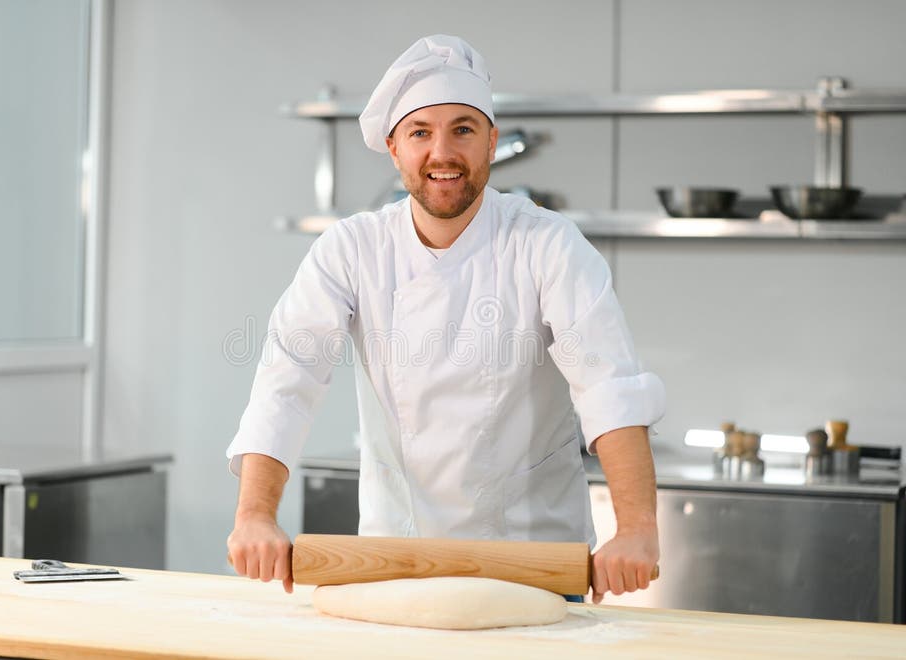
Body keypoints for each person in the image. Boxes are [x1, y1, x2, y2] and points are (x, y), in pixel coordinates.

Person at [225, 34, 665, 604]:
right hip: (396, 560)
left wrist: (636, 529)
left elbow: (609, 386)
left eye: (463, 129)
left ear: (491, 142)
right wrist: (255, 515)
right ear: (393, 148)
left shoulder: (547, 243)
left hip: (533, 566)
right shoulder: (353, 248)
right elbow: (288, 380)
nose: (442, 153)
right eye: (420, 132)